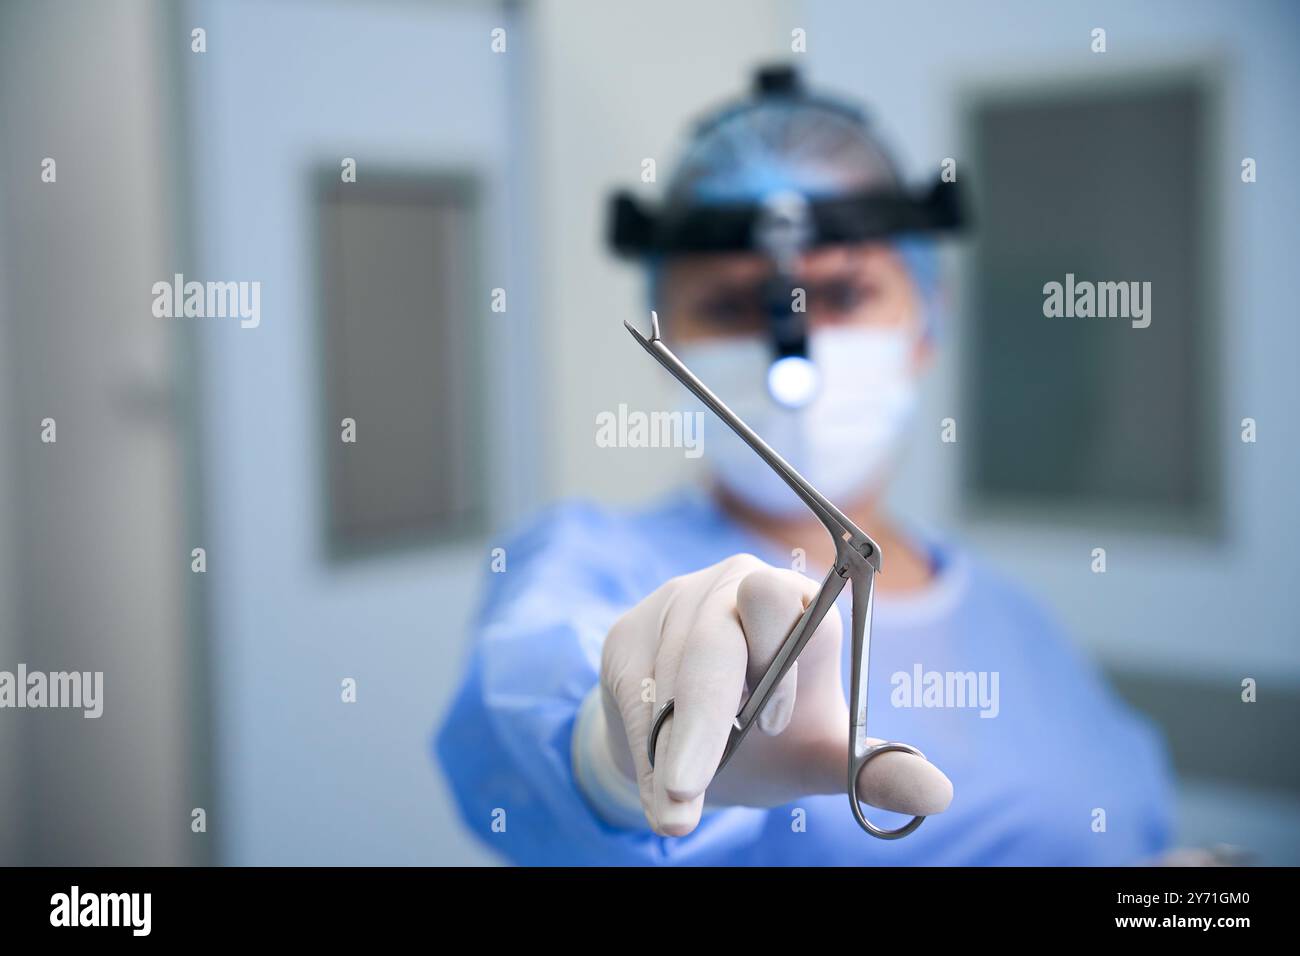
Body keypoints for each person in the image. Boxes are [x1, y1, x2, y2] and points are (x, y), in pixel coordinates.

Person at [436, 66, 1172, 865]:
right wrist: (613, 758)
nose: (798, 355)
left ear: (928, 319)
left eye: (847, 295)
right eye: (728, 305)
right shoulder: (591, 564)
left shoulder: (1015, 621)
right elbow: (526, 720)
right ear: (669, 348)